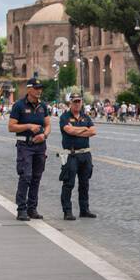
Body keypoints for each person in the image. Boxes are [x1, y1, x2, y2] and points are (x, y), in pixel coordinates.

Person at [8, 78, 50, 221]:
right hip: (25, 145)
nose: (40, 90)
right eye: (37, 88)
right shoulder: (19, 106)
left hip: (40, 145)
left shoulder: (43, 106)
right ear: (29, 89)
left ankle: (32, 209)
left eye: (41, 88)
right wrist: (28, 126)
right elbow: (11, 126)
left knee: (36, 177)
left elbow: (48, 125)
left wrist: (44, 135)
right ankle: (21, 209)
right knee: (26, 176)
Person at [58, 89, 97, 220]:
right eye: (74, 102)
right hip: (71, 154)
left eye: (79, 101)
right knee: (69, 183)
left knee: (84, 184)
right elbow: (68, 131)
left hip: (85, 154)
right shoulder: (64, 117)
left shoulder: (85, 116)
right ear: (70, 103)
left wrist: (77, 130)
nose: (77, 104)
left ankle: (84, 210)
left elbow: (93, 131)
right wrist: (84, 129)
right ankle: (67, 211)